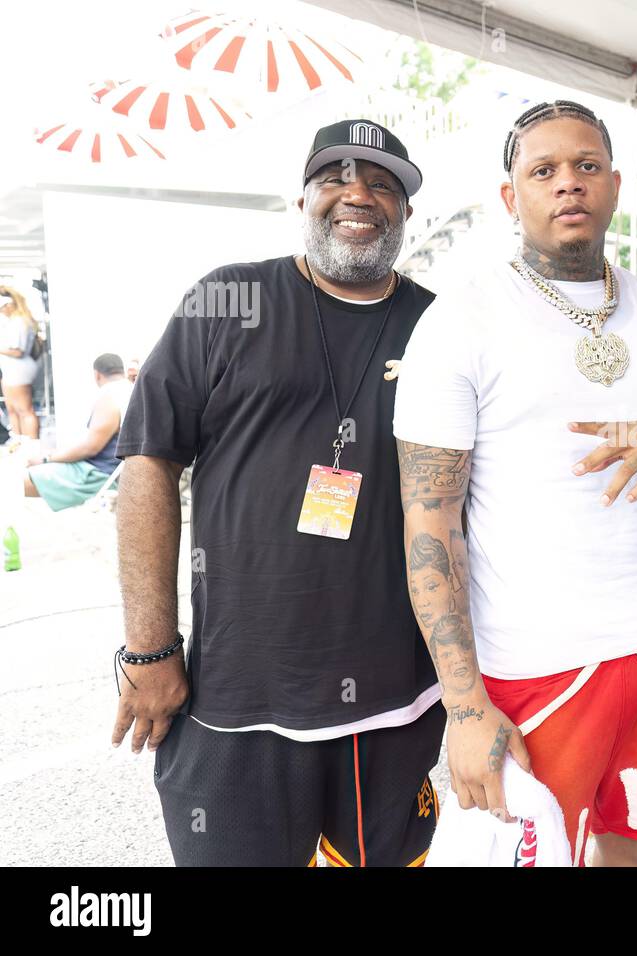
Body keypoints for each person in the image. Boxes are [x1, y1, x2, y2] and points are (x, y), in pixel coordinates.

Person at [393, 100, 637, 867]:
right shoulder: (462, 321)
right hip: (532, 657)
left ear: (616, 185)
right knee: (540, 853)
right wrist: (464, 706)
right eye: (544, 170)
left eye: (586, 166)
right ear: (509, 196)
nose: (569, 184)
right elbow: (430, 525)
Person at [114, 119, 444, 867]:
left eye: (382, 183)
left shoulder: (441, 325)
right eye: (335, 177)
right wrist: (149, 647)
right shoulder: (228, 299)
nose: (357, 194)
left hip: (396, 704)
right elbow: (147, 461)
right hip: (238, 702)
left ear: (405, 213)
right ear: (303, 200)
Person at [23, 353, 132, 510]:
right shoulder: (132, 390)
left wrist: (47, 458)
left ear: (97, 375)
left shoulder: (110, 397)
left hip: (98, 473)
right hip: (116, 469)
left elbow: (90, 448)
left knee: (17, 483)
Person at [0, 285, 41, 441]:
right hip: (10, 370)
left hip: (19, 370)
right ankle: (18, 443)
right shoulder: (12, 321)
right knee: (12, 410)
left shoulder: (20, 321)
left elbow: (18, 351)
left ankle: (31, 445)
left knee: (24, 410)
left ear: (9, 305)